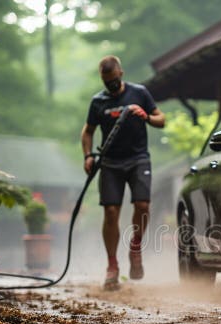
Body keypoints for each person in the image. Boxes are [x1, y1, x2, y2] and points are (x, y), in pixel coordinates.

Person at [81, 55, 165, 290]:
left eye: (114, 80)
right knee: (110, 211)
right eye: (106, 82)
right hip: (110, 162)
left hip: (138, 159)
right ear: (102, 80)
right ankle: (112, 265)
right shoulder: (98, 102)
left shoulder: (139, 93)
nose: (111, 85)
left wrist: (146, 116)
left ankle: (135, 248)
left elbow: (162, 119)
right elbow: (87, 131)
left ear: (121, 73)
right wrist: (88, 156)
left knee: (142, 206)